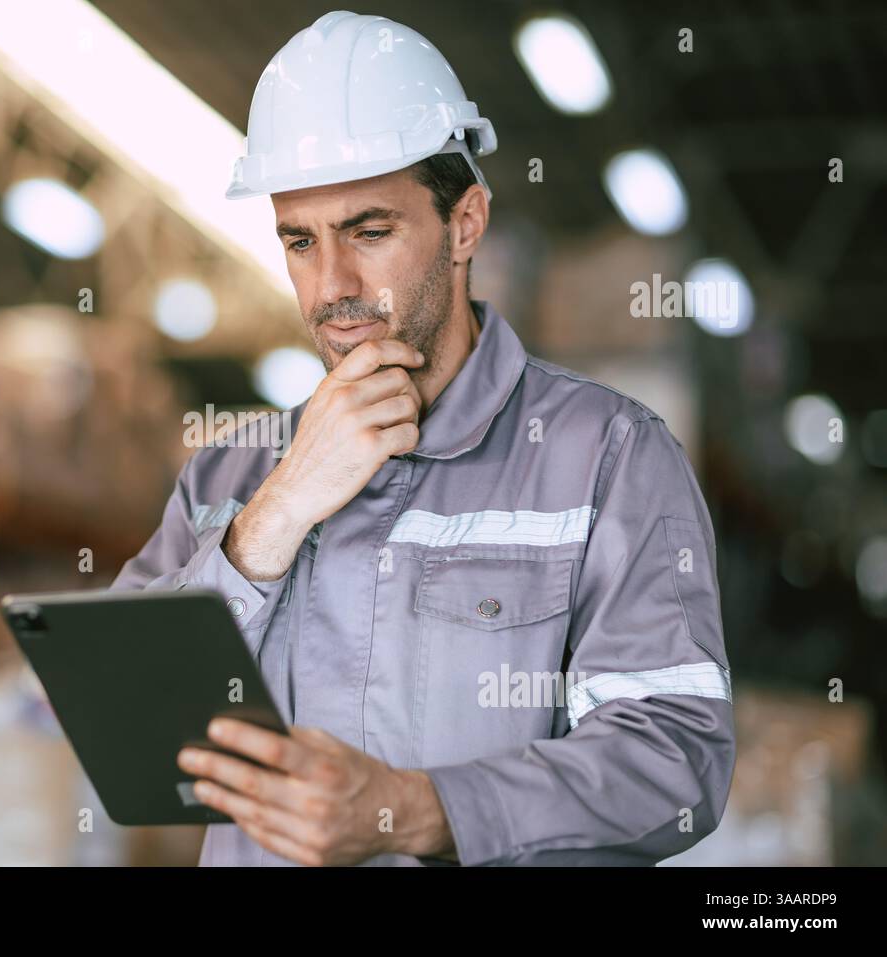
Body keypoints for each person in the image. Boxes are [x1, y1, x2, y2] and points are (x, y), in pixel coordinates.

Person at [111, 10, 735, 866]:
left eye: (370, 232)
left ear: (466, 223)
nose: (332, 286)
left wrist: (417, 808)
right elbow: (126, 725)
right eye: (300, 241)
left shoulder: (608, 456)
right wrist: (276, 512)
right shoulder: (230, 472)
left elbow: (676, 761)